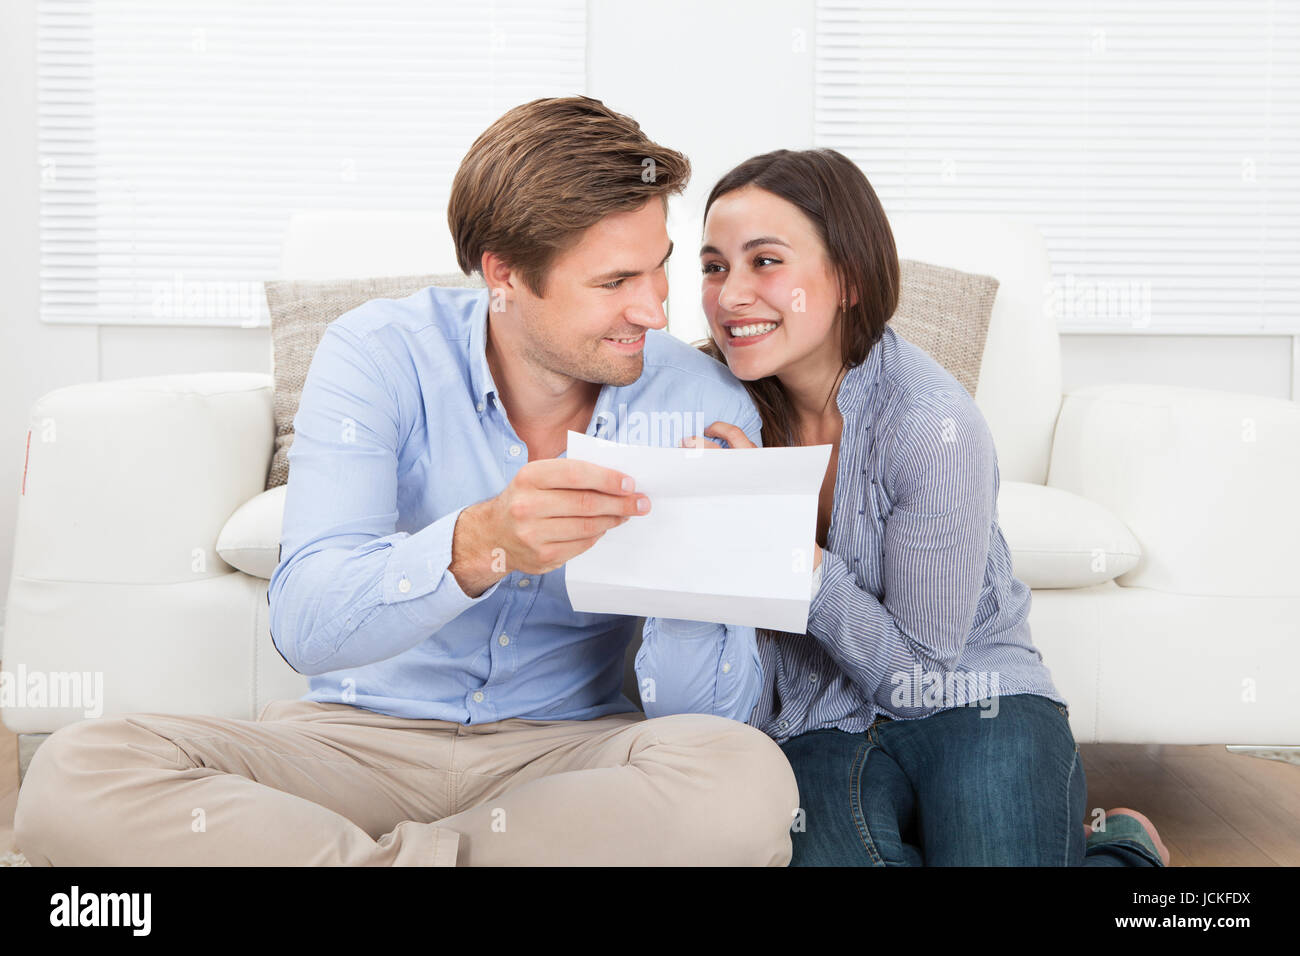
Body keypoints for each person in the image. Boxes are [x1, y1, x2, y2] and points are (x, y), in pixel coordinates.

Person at [13, 97, 799, 867]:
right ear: (504, 275)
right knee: (78, 771)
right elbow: (307, 627)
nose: (655, 312)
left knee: (744, 782)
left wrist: (696, 565)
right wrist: (475, 546)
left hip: (567, 765)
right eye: (614, 282)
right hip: (347, 750)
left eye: (660, 269)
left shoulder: (700, 400)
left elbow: (702, 718)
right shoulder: (378, 355)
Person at [635, 147, 1170, 867]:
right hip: (815, 718)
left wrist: (787, 544)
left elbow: (916, 681)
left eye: (765, 262)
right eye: (712, 266)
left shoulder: (932, 423)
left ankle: (1122, 851)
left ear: (849, 279)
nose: (729, 296)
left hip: (972, 699)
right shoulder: (708, 404)